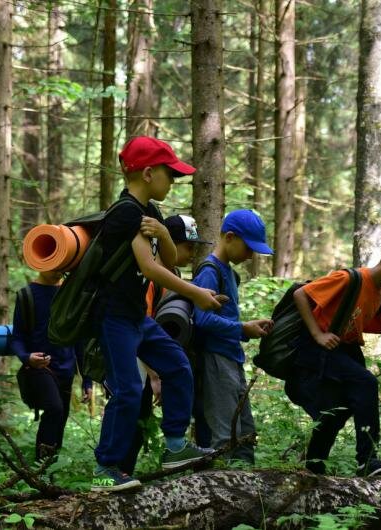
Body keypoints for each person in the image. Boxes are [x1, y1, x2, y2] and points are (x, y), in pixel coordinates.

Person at [90, 136, 222, 492]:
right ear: (149, 173)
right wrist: (197, 294)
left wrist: (164, 231)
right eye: (170, 174)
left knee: (177, 365)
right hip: (113, 316)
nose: (173, 181)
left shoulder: (150, 214)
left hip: (135, 316)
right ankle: (105, 468)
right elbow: (149, 269)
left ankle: (176, 445)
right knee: (129, 389)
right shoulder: (125, 213)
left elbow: (169, 261)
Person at [288, 232, 381, 476]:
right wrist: (317, 334)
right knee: (366, 383)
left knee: (339, 409)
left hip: (341, 351)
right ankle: (367, 461)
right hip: (316, 349)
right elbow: (300, 294)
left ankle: (313, 469)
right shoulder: (349, 279)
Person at [118, 214, 211, 475]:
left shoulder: (169, 277)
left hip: (147, 363)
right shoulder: (147, 277)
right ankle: (116, 474)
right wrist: (155, 373)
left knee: (140, 416)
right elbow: (140, 328)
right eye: (188, 247)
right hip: (137, 364)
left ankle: (125, 475)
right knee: (132, 416)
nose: (191, 254)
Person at [192, 209, 274, 465]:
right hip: (216, 360)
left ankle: (250, 495)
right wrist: (242, 329)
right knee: (226, 438)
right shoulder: (209, 271)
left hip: (231, 358)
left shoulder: (228, 272)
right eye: (248, 247)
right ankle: (223, 496)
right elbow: (203, 319)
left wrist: (246, 328)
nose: (251, 255)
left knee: (246, 433)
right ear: (229, 237)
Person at [9, 269, 93, 461]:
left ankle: (49, 472)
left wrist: (87, 380)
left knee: (61, 419)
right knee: (55, 409)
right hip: (40, 369)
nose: (58, 271)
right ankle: (40, 469)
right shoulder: (26, 295)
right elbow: (17, 338)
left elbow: (79, 340)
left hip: (67, 370)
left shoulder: (71, 294)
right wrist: (26, 356)